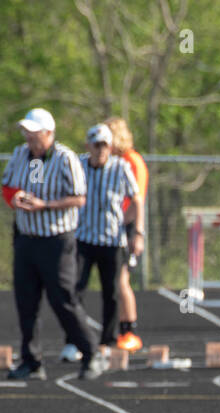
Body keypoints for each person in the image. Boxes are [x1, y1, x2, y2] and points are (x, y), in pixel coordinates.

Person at [0, 107, 104, 380]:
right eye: (27, 133)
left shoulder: (66, 158)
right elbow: (7, 186)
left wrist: (44, 205)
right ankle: (31, 361)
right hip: (26, 239)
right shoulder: (19, 154)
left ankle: (92, 353)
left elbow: (79, 197)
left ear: (49, 133)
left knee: (63, 300)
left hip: (56, 240)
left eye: (35, 134)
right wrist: (17, 198)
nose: (30, 138)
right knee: (26, 302)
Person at [76, 123, 139, 351]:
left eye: (104, 145)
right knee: (75, 289)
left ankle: (110, 340)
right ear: (88, 146)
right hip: (83, 237)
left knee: (112, 292)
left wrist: (133, 229)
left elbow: (136, 198)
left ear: (110, 147)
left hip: (112, 240)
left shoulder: (121, 167)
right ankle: (77, 340)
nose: (100, 149)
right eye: (96, 145)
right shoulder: (79, 164)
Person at [106, 116, 147, 352]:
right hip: (115, 226)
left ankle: (129, 330)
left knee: (122, 280)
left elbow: (136, 199)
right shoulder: (118, 160)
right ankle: (119, 329)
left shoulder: (132, 161)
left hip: (126, 226)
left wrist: (129, 228)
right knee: (115, 280)